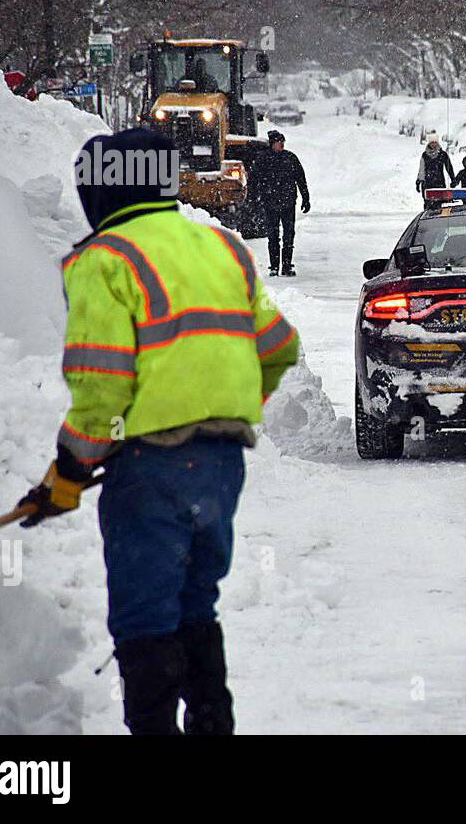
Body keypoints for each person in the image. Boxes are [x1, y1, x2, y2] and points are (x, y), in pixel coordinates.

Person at [18, 127, 300, 734]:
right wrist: (226, 404)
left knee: (145, 618)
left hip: (149, 471)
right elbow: (279, 346)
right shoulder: (220, 248)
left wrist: (71, 467)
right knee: (197, 607)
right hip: (222, 465)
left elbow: (102, 381)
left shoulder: (106, 259)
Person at [249, 130, 310, 276]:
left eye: (283, 142)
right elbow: (253, 181)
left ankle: (287, 265)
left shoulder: (290, 158)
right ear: (272, 144)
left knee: (289, 235)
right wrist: (253, 200)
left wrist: (305, 198)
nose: (281, 145)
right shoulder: (262, 159)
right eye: (278, 142)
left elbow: (301, 179)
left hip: (288, 203)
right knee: (273, 235)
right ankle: (274, 266)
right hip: (270, 203)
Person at [416, 132, 454, 209]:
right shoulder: (425, 155)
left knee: (438, 206)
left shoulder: (443, 154)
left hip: (439, 183)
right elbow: (421, 169)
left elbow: (449, 167)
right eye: (432, 142)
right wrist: (418, 181)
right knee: (428, 206)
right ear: (429, 143)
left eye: (435, 142)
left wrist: (453, 179)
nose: (433, 144)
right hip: (427, 184)